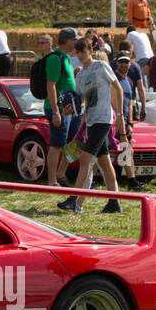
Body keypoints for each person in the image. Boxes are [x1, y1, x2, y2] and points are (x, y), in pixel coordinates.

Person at [59, 47, 125, 213]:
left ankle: (75, 200)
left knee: (85, 158)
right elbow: (82, 99)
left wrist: (120, 115)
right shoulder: (80, 75)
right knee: (104, 161)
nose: (80, 55)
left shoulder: (101, 67)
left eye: (83, 51)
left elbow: (118, 88)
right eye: (78, 52)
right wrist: (70, 108)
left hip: (103, 120)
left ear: (90, 51)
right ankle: (113, 202)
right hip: (90, 121)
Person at [43, 29, 78, 188]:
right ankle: (52, 181)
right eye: (75, 40)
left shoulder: (66, 58)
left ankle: (61, 172)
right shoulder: (55, 58)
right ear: (68, 40)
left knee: (75, 142)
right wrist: (56, 111)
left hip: (69, 109)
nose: (76, 43)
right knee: (57, 144)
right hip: (58, 109)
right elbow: (51, 86)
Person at [114, 53, 147, 192]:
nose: (123, 64)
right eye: (121, 61)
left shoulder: (128, 80)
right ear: (116, 63)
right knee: (100, 152)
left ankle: (131, 180)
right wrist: (118, 122)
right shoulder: (114, 80)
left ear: (130, 64)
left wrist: (130, 123)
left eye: (126, 62)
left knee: (127, 150)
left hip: (125, 123)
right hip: (114, 122)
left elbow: (130, 103)